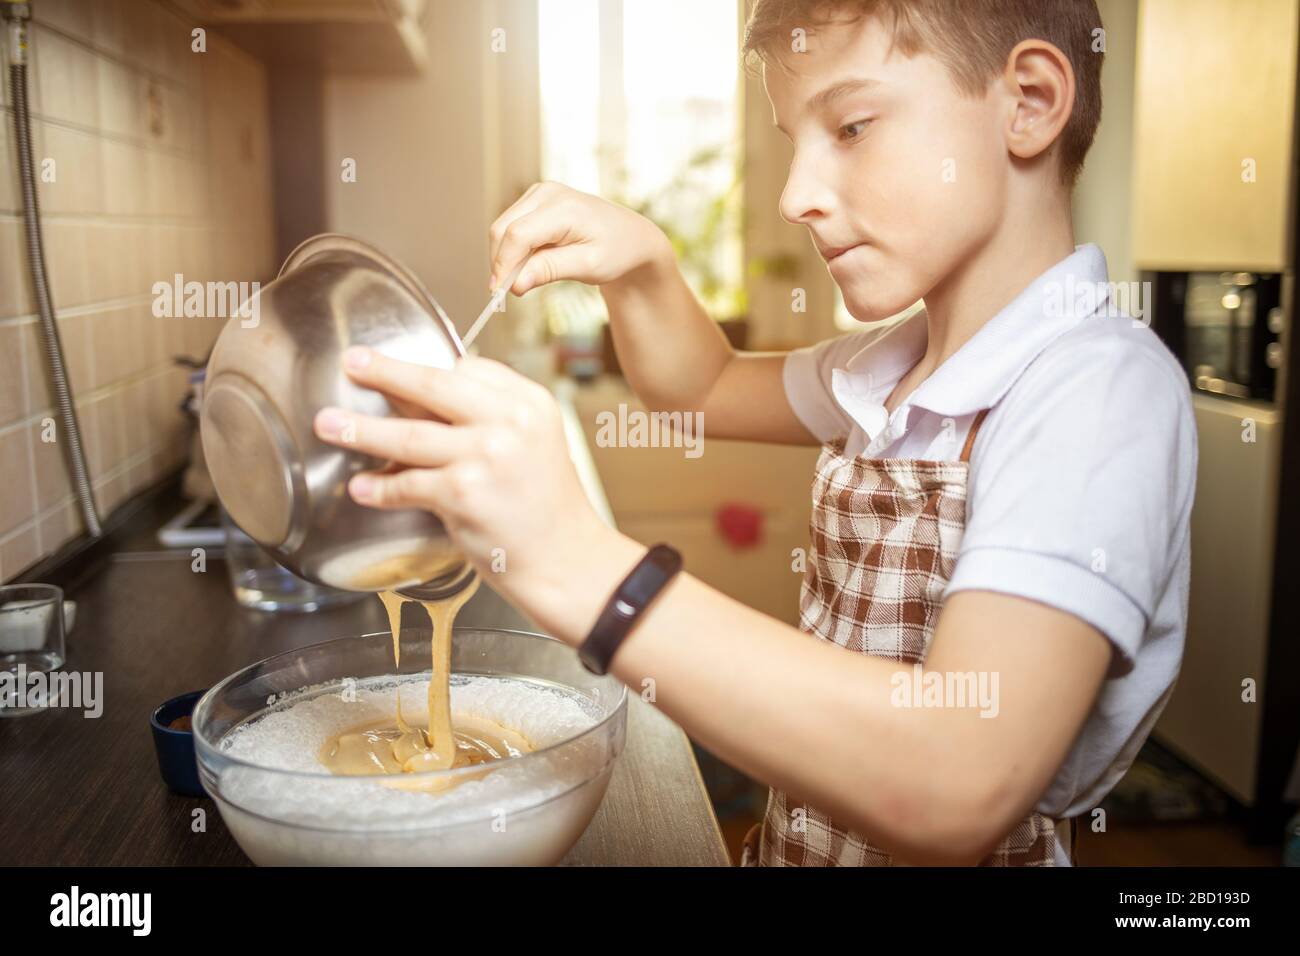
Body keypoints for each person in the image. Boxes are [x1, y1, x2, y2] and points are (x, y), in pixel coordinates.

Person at [311, 0, 1196, 866]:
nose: (794, 195)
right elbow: (699, 388)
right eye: (790, 141)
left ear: (1031, 102)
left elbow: (960, 776)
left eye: (850, 126)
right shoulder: (892, 365)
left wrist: (572, 559)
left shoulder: (1096, 391)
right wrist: (644, 263)